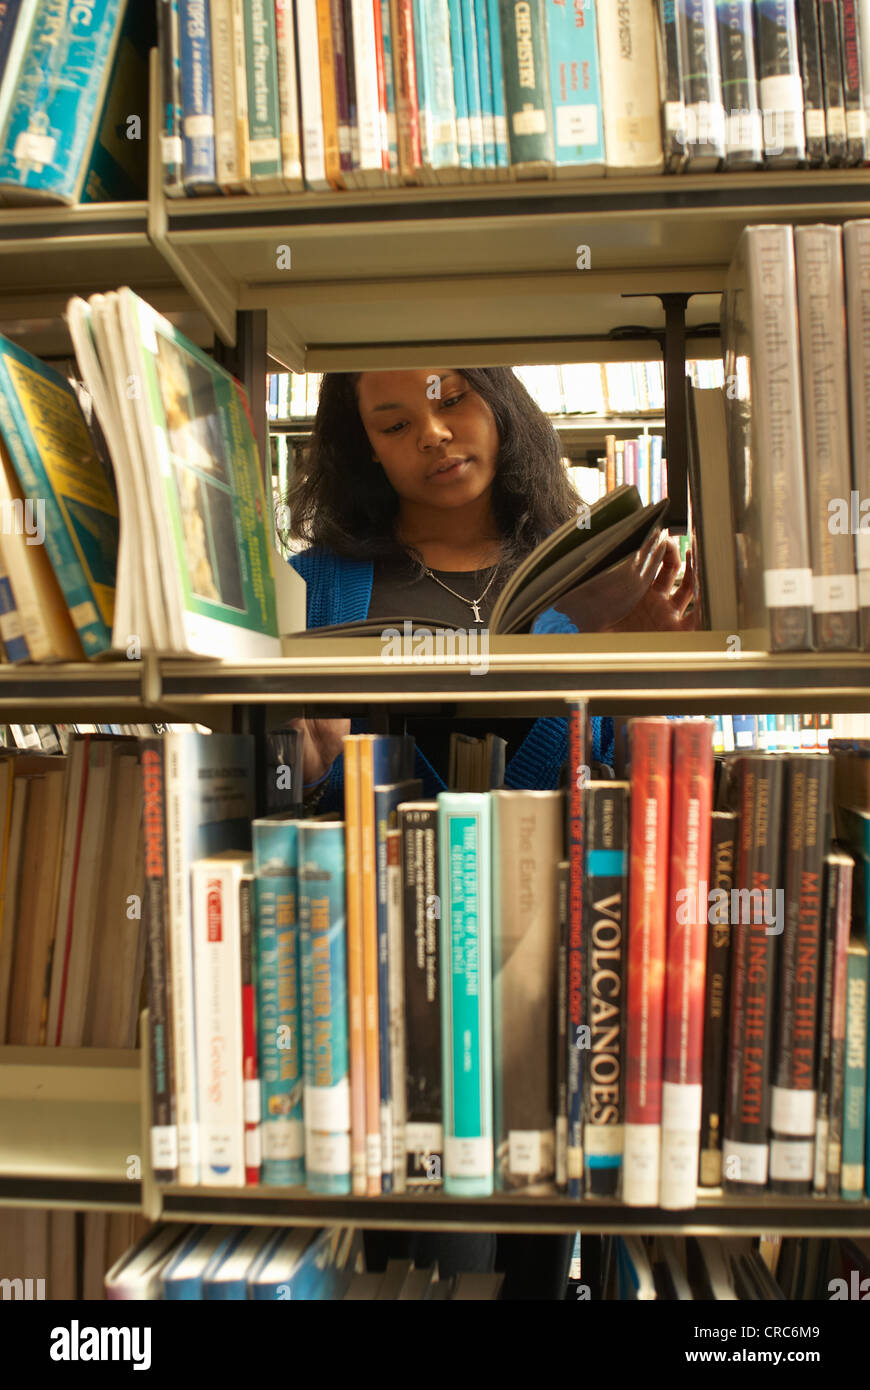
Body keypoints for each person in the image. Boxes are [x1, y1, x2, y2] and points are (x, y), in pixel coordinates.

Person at [284, 366, 698, 1296]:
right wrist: (313, 763)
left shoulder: (590, 574)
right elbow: (289, 793)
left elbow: (640, 792)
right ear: (364, 450)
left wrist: (644, 663)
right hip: (378, 982)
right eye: (392, 423)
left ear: (501, 409)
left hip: (556, 979)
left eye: (452, 398)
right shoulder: (313, 587)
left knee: (536, 1263)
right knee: (416, 1263)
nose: (430, 433)